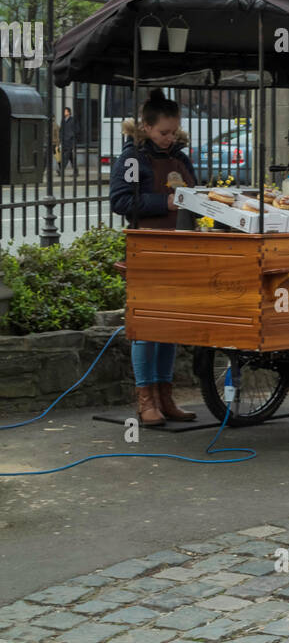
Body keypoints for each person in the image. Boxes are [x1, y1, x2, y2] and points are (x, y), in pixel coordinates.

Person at [109, 88, 198, 428]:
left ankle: (165, 395)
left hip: (179, 249)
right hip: (146, 249)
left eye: (174, 131)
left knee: (170, 326)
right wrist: (166, 204)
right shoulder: (133, 158)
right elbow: (120, 201)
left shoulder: (180, 156)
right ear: (146, 127)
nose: (169, 137)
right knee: (146, 327)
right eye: (164, 132)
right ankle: (145, 398)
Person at [60, 106, 79, 176]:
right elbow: (61, 130)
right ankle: (76, 171)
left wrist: (72, 135)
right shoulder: (63, 120)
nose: (64, 112)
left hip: (70, 141)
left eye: (65, 111)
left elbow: (77, 129)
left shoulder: (73, 120)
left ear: (69, 112)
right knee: (70, 157)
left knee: (66, 156)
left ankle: (61, 170)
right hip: (64, 141)